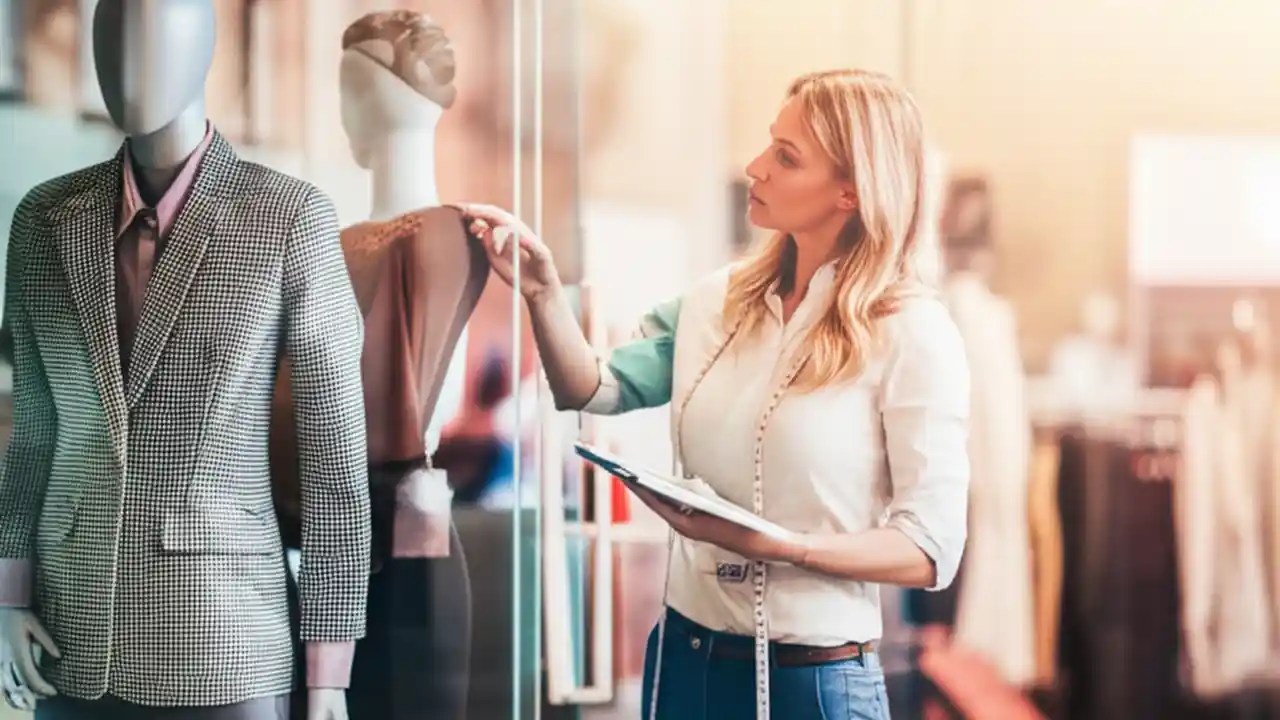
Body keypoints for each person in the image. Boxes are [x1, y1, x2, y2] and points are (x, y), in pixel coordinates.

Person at [455, 68, 970, 720]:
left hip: (812, 684)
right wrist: (540, 291)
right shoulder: (715, 304)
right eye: (768, 144)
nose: (755, 168)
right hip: (681, 664)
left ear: (850, 191)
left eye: (787, 157)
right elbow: (592, 386)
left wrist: (783, 547)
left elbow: (931, 549)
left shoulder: (915, 332)